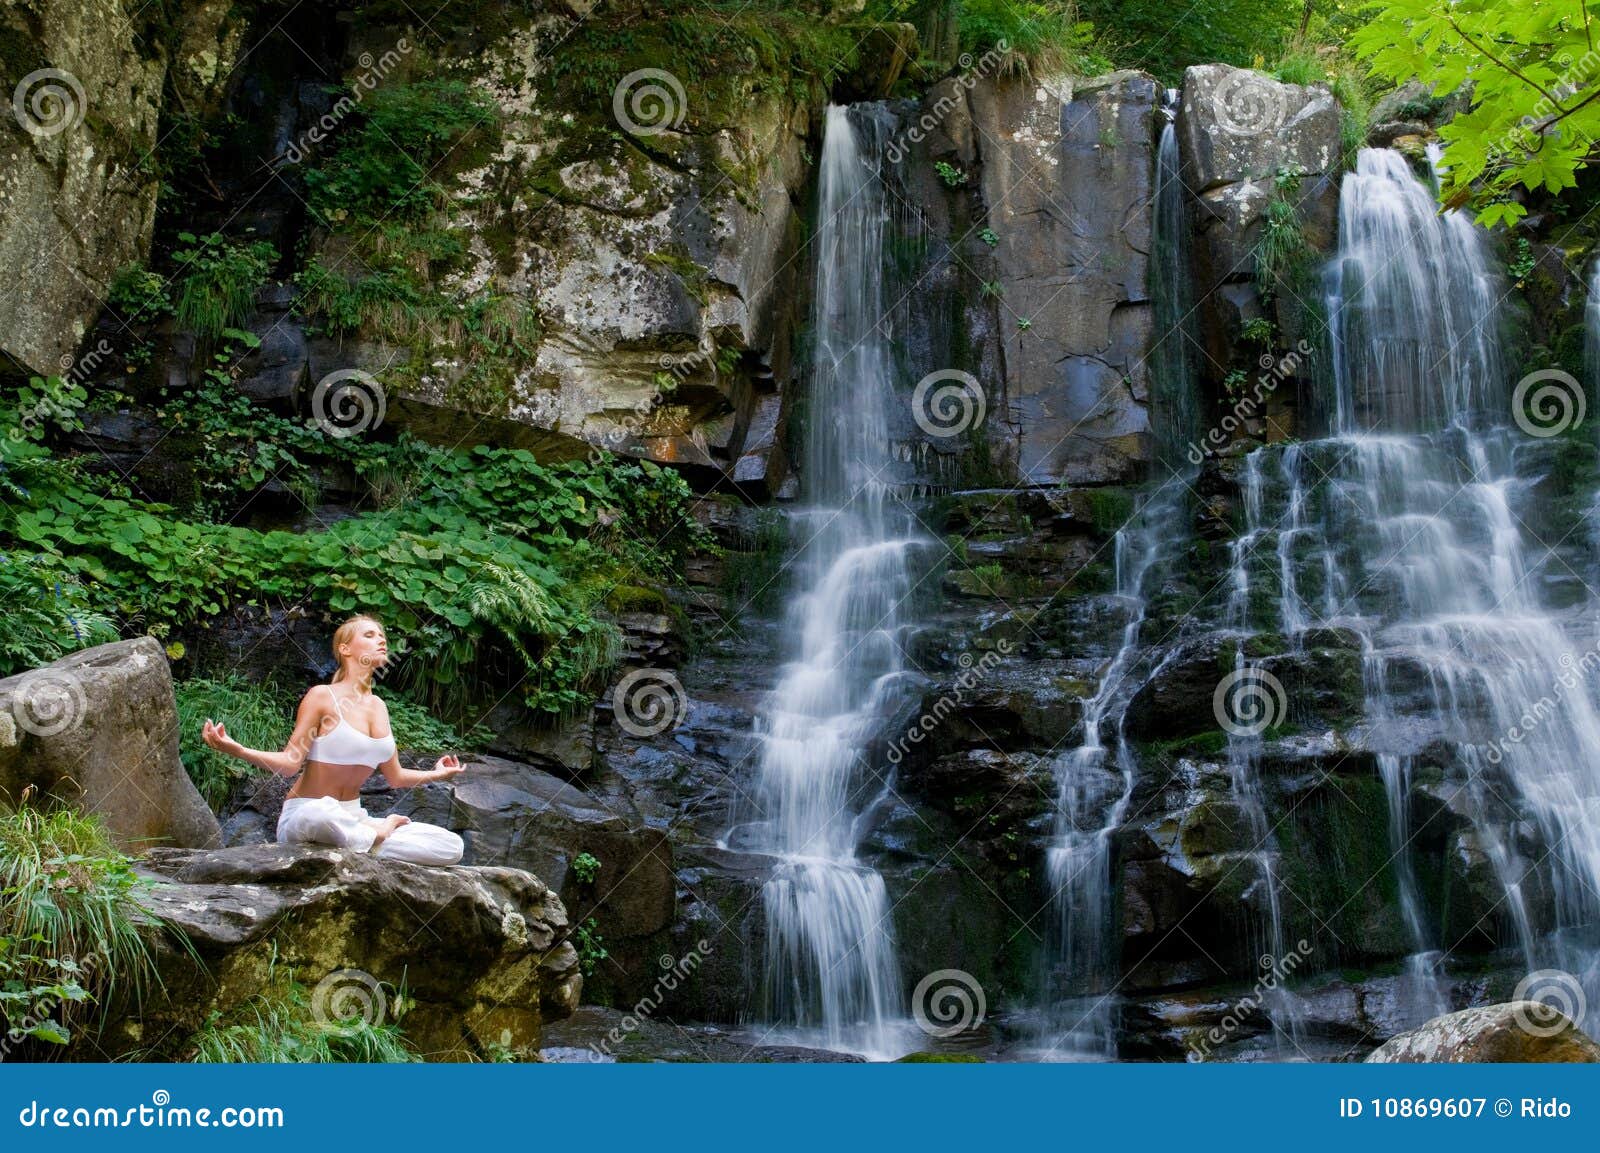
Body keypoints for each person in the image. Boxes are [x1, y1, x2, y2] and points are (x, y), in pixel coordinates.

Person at [199, 615, 466, 865]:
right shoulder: (322, 696)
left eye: (382, 636)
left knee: (450, 845)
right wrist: (238, 749)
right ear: (345, 649)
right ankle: (377, 835)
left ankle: (363, 840)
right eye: (370, 635)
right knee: (322, 814)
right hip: (307, 814)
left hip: (353, 819)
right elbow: (291, 764)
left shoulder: (379, 706)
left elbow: (395, 777)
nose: (382, 640)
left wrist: (437, 774)